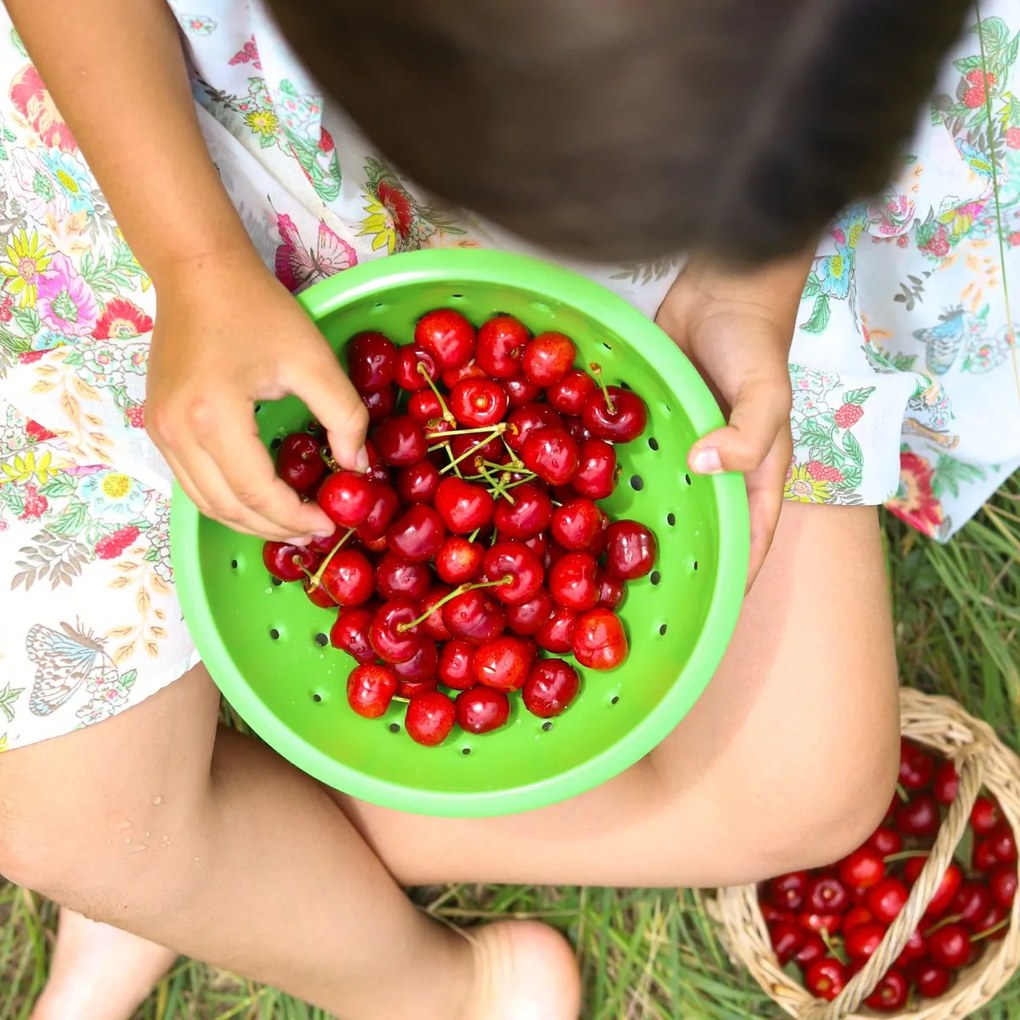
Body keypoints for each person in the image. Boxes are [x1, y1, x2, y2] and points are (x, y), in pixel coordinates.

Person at [0, 0, 1016, 1017]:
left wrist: (746, 276)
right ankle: (425, 985)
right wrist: (195, 261)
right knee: (75, 826)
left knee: (812, 792)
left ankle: (217, 864)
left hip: (686, 233)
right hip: (160, 158)